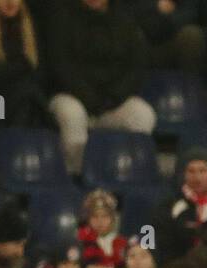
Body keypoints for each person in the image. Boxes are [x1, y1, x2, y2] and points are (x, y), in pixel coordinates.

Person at [46, 0, 157, 176]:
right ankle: (77, 176)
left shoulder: (125, 19)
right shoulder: (62, 17)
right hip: (72, 96)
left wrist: (115, 96)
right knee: (72, 115)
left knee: (143, 115)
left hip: (111, 101)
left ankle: (126, 175)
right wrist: (89, 98)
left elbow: (136, 66)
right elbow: (60, 65)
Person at [0, 0, 48, 130]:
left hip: (26, 96)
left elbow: (41, 72)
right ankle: (6, 144)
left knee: (28, 97)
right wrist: (22, 65)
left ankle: (20, 144)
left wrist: (19, 69)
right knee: (5, 103)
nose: (10, 2)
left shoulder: (32, 26)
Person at [154, 148, 207, 263]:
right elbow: (155, 240)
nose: (197, 177)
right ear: (183, 174)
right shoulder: (169, 205)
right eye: (191, 171)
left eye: (203, 171)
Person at [77, 189, 127, 268]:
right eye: (95, 216)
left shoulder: (123, 244)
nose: (100, 221)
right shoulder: (80, 244)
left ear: (113, 219)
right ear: (88, 219)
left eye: (105, 216)